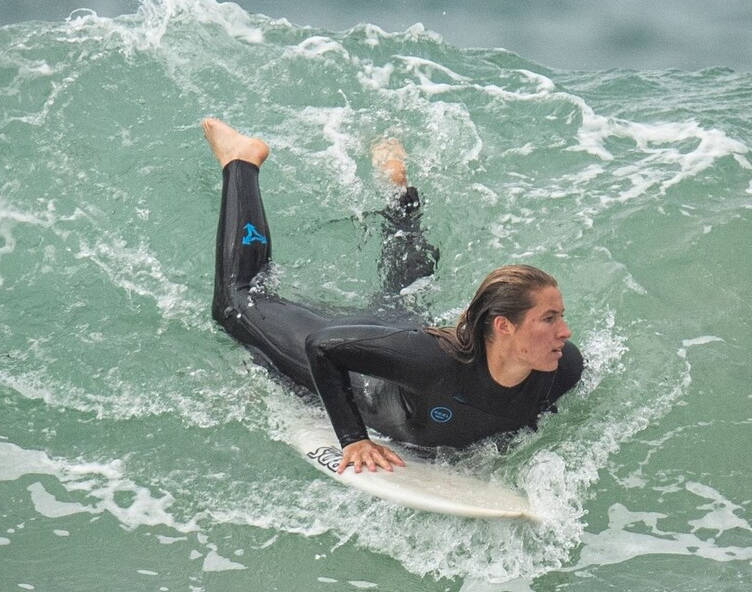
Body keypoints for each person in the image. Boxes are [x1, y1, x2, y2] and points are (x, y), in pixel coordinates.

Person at [203, 118, 583, 474]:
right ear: (503, 326)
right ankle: (241, 159)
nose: (564, 332)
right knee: (238, 302)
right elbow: (323, 347)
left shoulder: (562, 368)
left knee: (403, 297)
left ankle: (399, 189)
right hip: (364, 376)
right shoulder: (435, 363)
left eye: (560, 316)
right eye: (549, 319)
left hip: (402, 336)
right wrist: (353, 439)